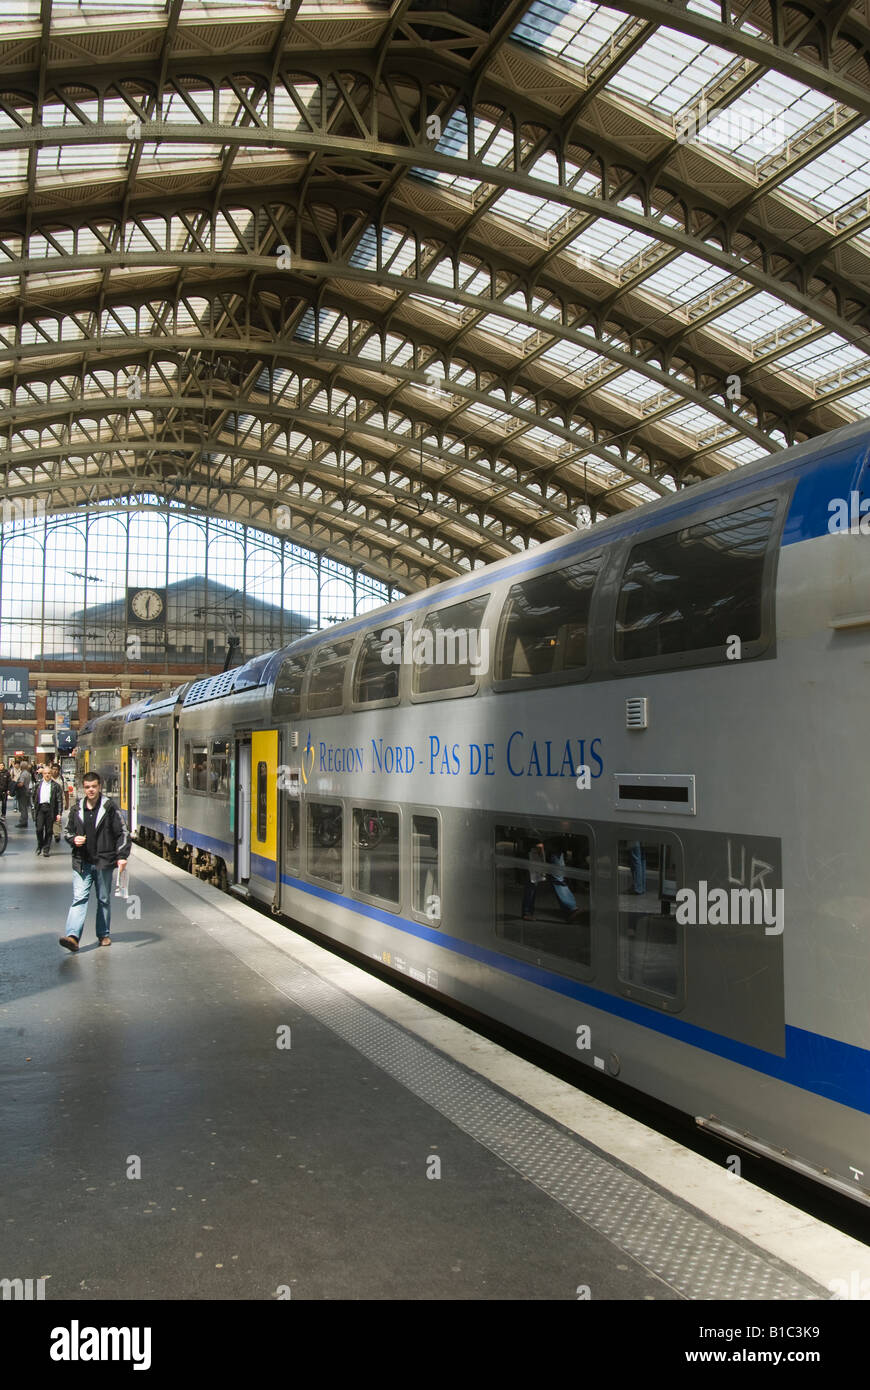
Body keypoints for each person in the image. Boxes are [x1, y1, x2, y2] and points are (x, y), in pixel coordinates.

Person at [58, 772, 130, 953]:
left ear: (99, 787)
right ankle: (73, 937)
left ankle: (103, 934)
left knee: (103, 899)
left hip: (104, 861)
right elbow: (67, 831)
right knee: (79, 899)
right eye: (88, 787)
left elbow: (123, 832)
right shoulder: (77, 809)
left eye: (94, 786)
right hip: (82, 861)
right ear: (84, 788)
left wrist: (122, 855)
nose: (91, 790)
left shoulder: (110, 808)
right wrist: (74, 839)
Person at [33, 762, 63, 856]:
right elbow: (33, 797)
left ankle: (46, 849)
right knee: (39, 829)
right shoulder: (38, 785)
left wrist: (59, 813)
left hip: (51, 809)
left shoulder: (56, 786)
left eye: (49, 773)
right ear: (43, 774)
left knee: (49, 830)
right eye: (45, 773)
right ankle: (40, 844)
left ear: (51, 774)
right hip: (40, 808)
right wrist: (33, 809)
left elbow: (59, 800)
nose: (47, 775)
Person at [50, 764, 66, 843]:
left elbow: (65, 791)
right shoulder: (48, 778)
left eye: (56, 769)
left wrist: (67, 803)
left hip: (59, 801)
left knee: (58, 817)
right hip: (50, 802)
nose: (54, 771)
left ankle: (57, 833)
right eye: (53, 769)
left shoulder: (62, 779)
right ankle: (50, 831)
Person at [14, 760, 32, 827]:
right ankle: (24, 821)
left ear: (22, 766)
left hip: (23, 792)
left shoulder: (23, 774)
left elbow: (21, 784)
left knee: (23, 808)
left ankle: (23, 822)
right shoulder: (27, 773)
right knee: (24, 807)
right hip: (26, 792)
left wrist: (15, 785)